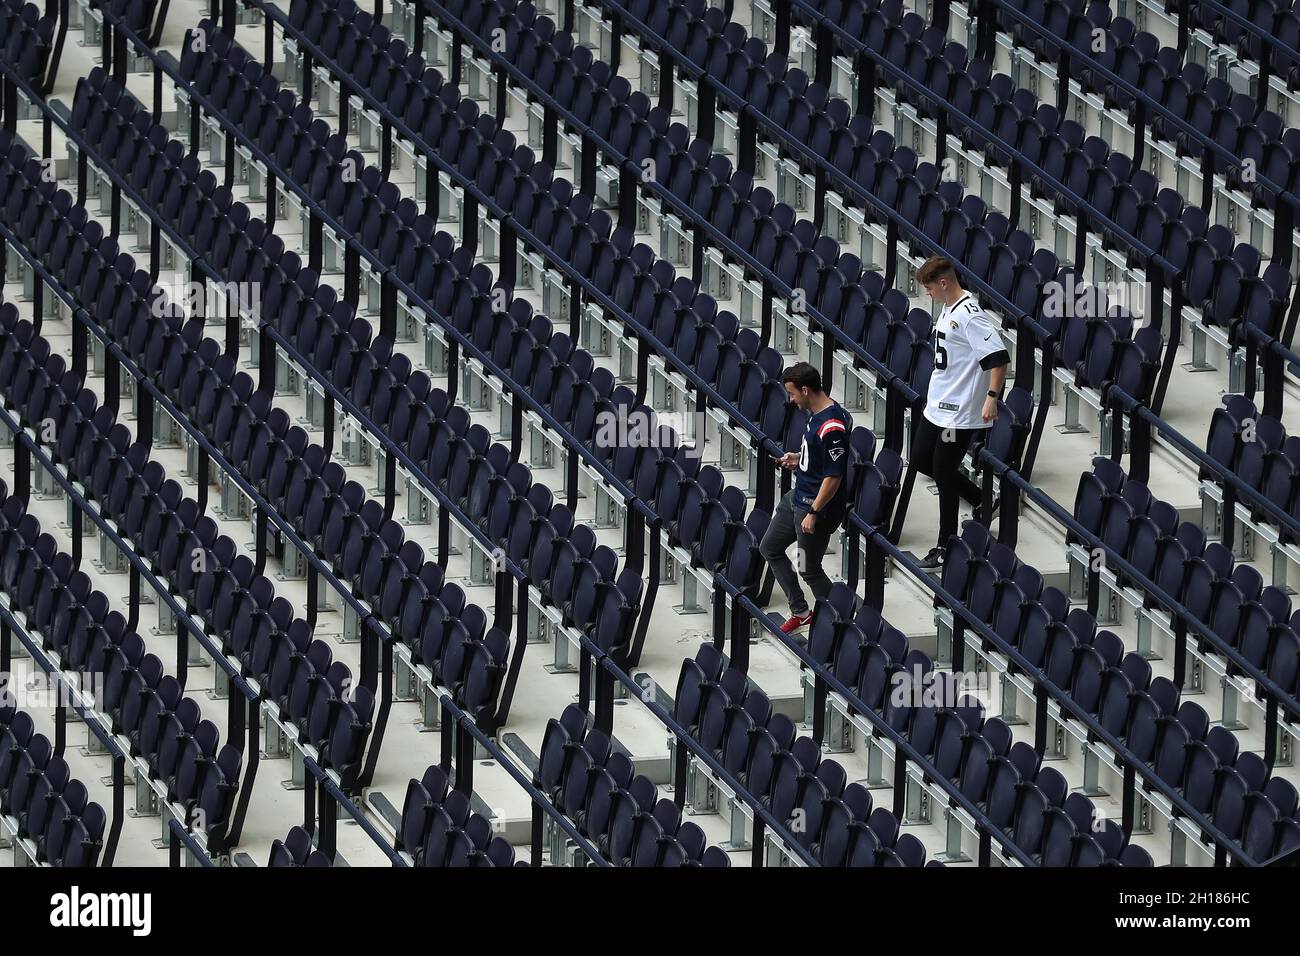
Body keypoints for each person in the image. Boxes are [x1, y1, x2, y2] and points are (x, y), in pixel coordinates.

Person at [912, 256, 1011, 572]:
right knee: (919, 459)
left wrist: (991, 398)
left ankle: (946, 545)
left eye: (929, 288)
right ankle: (983, 499)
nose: (928, 294)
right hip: (937, 404)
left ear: (943, 283)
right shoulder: (948, 308)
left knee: (943, 471)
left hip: (958, 413)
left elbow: (998, 359)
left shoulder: (971, 315)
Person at [760, 362, 852, 633]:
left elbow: (834, 477)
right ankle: (801, 611)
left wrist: (813, 512)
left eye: (792, 394)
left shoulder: (833, 425)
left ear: (805, 389)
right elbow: (820, 456)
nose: (791, 400)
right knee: (770, 548)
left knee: (809, 569)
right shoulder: (817, 412)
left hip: (814, 507)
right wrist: (799, 459)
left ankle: (839, 622)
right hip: (797, 497)